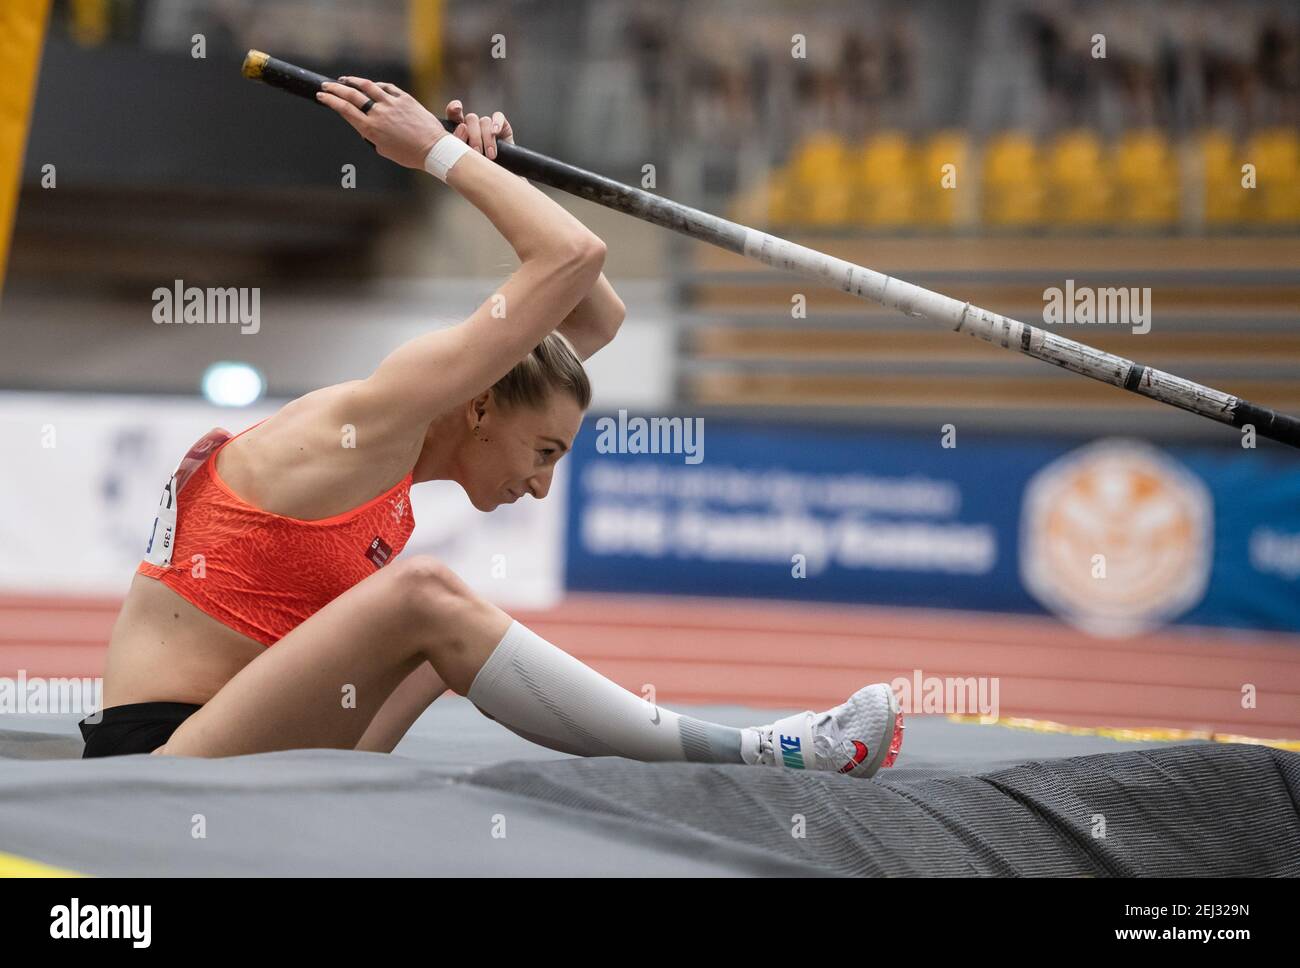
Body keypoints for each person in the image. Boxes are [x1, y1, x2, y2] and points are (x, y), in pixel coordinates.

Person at [80, 78, 903, 777]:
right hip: (159, 760)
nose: (542, 484)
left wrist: (492, 170)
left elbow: (597, 312)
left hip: (245, 744)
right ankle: (753, 754)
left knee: (427, 653)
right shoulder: (371, 423)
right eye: (545, 452)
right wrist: (447, 159)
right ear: (480, 406)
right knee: (420, 596)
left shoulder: (425, 432)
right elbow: (575, 255)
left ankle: (336, 824)